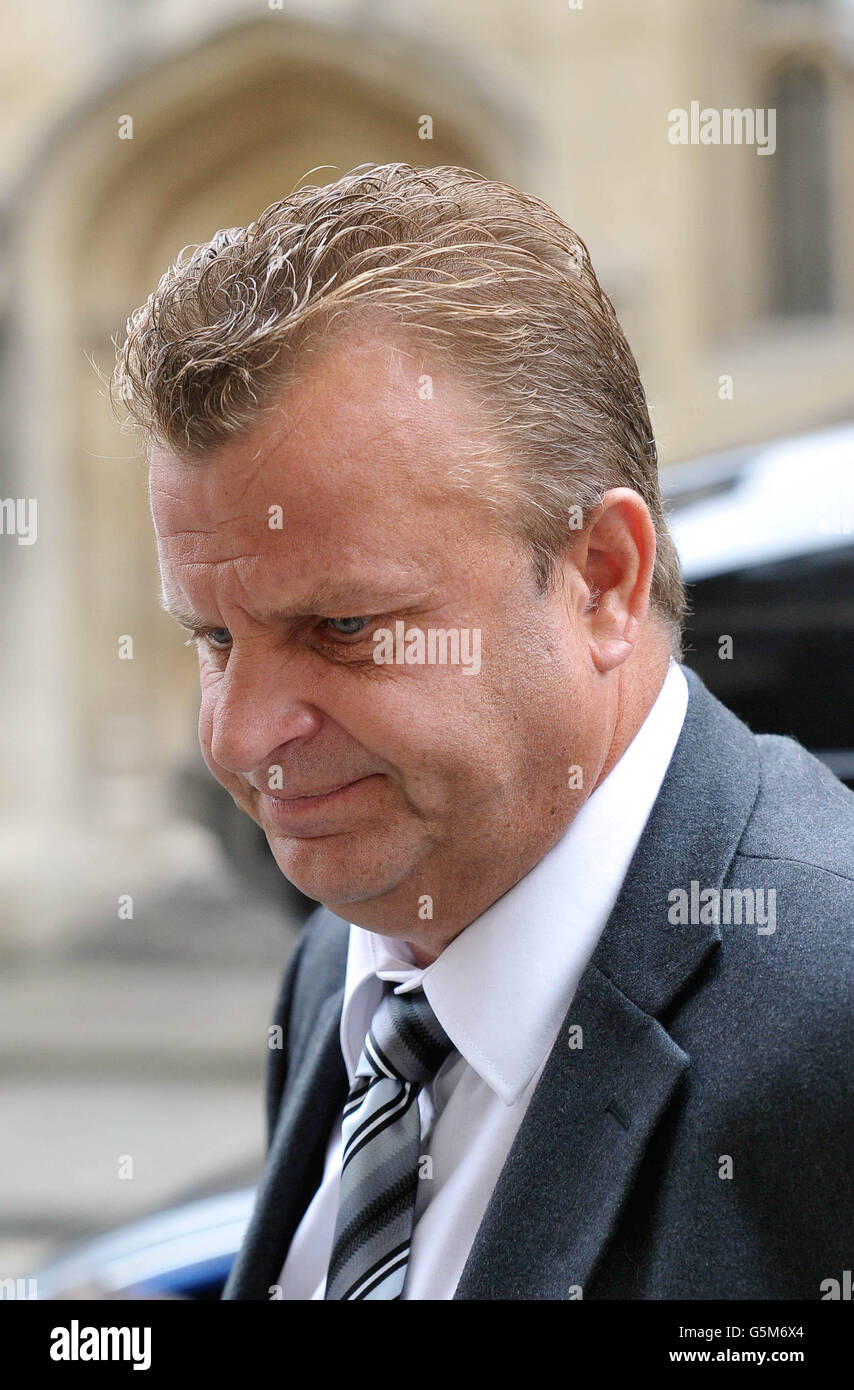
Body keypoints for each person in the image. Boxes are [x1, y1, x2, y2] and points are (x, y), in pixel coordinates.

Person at [114, 163, 853, 1300]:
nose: (245, 733)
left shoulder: (830, 1012)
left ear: (601, 579)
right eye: (212, 636)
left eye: (345, 625)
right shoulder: (346, 967)